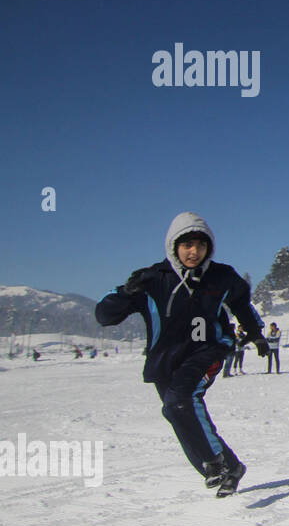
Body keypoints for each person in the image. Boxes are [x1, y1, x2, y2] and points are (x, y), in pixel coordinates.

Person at [93, 212, 267, 496]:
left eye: (200, 245)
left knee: (181, 400)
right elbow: (104, 315)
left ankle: (213, 463)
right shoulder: (153, 279)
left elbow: (241, 304)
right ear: (174, 246)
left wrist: (256, 333)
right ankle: (231, 466)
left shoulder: (222, 276)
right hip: (166, 358)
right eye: (187, 245)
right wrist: (126, 292)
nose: (194, 251)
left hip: (207, 349)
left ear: (209, 247)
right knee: (177, 411)